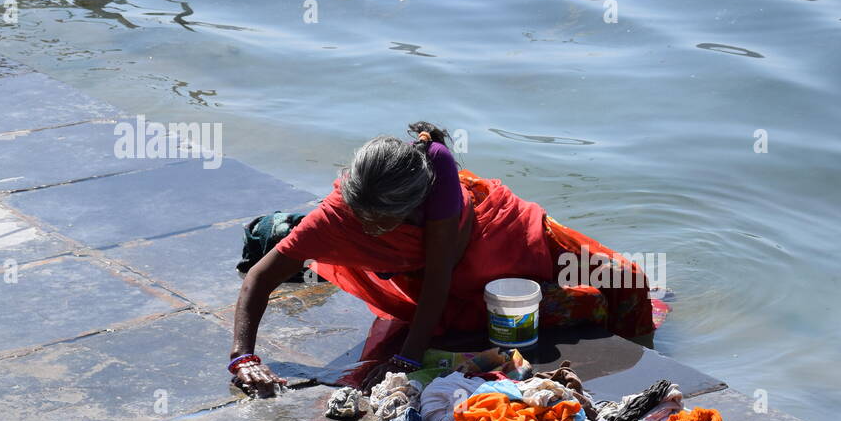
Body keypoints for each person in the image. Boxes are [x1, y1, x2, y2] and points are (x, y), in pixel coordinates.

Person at [229, 123, 658, 394]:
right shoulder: (339, 216)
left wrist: (407, 359)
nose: (370, 229)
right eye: (363, 218)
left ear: (413, 205)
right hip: (465, 277)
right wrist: (243, 356)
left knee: (627, 281)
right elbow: (259, 279)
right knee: (580, 308)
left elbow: (437, 280)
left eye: (383, 222)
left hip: (505, 238)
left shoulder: (438, 181)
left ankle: (647, 358)